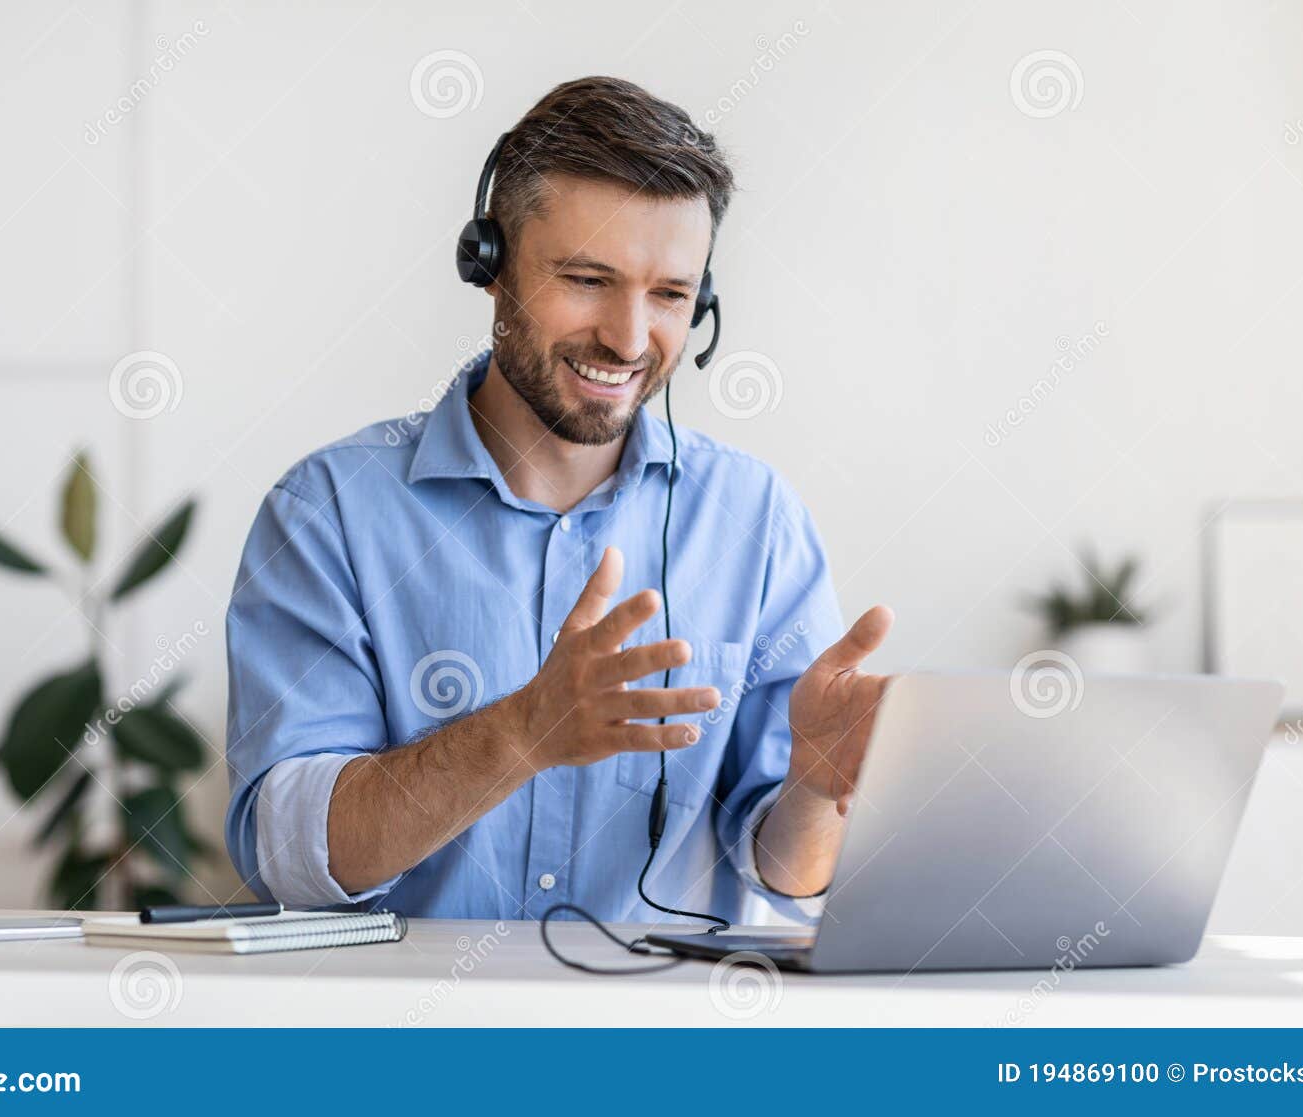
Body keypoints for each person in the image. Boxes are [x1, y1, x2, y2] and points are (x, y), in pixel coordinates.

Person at [224, 75, 893, 925]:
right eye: (586, 279)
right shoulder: (330, 512)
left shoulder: (755, 520)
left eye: (670, 295)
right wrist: (520, 733)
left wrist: (814, 789)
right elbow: (288, 862)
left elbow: (787, 876)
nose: (627, 337)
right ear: (490, 266)